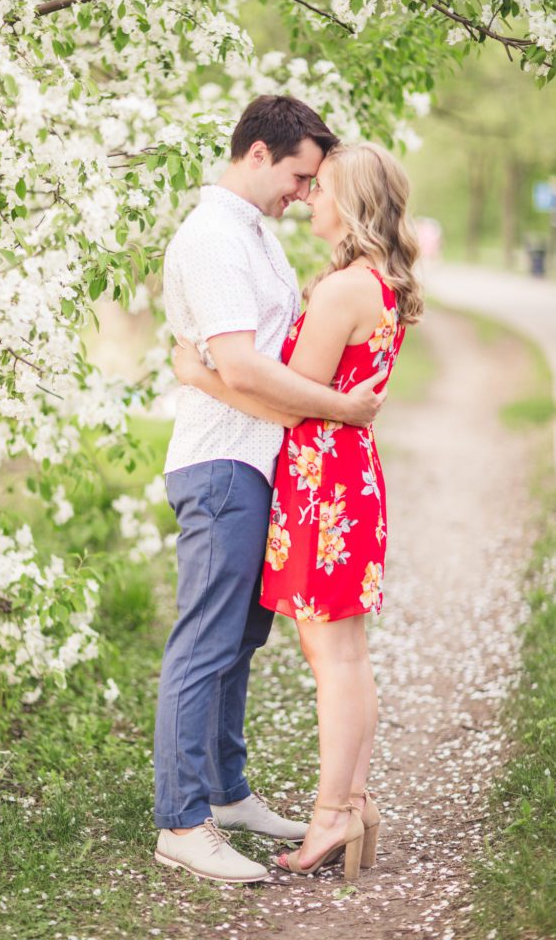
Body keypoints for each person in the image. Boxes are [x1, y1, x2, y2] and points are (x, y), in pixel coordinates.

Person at [173, 141, 423, 880]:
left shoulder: (346, 286)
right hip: (351, 474)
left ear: (352, 202)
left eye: (324, 190)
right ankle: (350, 803)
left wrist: (199, 373)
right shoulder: (380, 281)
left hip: (324, 480)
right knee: (346, 656)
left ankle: (332, 818)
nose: (311, 198)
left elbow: (287, 398)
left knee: (333, 658)